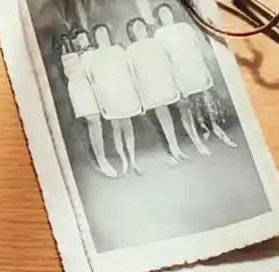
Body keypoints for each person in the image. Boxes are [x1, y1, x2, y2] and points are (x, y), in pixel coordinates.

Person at [153, 3, 238, 152]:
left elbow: (196, 50)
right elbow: (164, 59)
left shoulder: (185, 28)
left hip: (196, 70)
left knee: (207, 102)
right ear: (159, 18)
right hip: (179, 75)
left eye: (168, 12)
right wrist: (173, 80)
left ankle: (217, 130)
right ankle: (198, 139)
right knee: (187, 109)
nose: (166, 16)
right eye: (162, 14)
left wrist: (206, 72)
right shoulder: (160, 34)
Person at [80, 23, 144, 175]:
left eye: (105, 33)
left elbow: (129, 71)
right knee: (116, 128)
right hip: (109, 97)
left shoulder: (118, 50)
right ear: (95, 38)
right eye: (99, 34)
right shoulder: (93, 56)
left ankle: (133, 159)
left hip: (124, 94)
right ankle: (124, 160)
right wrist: (101, 101)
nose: (103, 36)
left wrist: (136, 92)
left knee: (128, 126)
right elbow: (94, 80)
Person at [124, 17, 187, 164]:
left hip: (165, 85)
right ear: (132, 33)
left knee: (172, 118)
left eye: (142, 26)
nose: (141, 30)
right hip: (149, 90)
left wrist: (175, 83)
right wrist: (140, 96)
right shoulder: (131, 50)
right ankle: (170, 152)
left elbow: (167, 62)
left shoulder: (156, 43)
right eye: (136, 29)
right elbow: (133, 74)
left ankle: (176, 149)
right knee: (161, 121)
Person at [59, 31, 117, 178]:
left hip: (96, 88)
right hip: (81, 90)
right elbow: (73, 75)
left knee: (104, 119)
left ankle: (110, 154)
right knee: (93, 121)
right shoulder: (69, 57)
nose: (82, 41)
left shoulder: (93, 53)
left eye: (84, 38)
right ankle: (102, 160)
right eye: (78, 39)